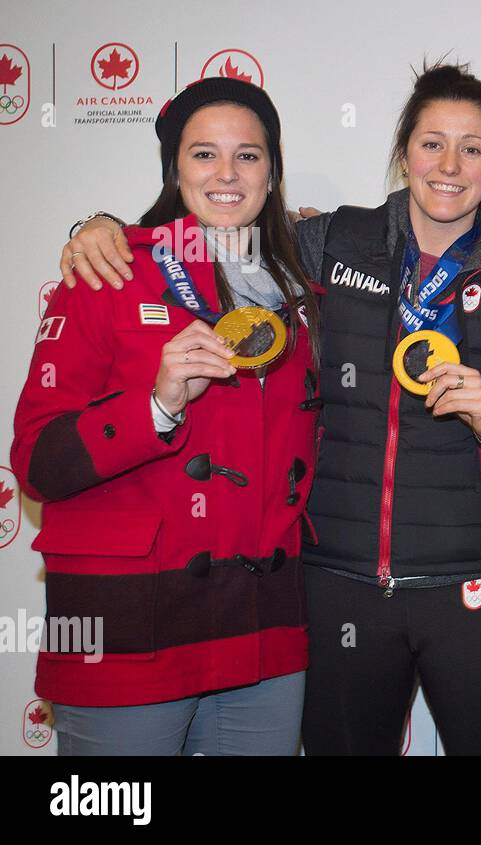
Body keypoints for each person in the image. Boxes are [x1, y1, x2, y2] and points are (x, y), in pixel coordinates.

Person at [56, 64, 481, 756]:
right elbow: (216, 228)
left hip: (479, 586)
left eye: (471, 148)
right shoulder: (329, 243)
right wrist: (101, 226)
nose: (449, 165)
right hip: (337, 587)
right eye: (431, 143)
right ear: (403, 150)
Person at [13, 77, 320, 755]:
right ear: (173, 169)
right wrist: (155, 407)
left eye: (249, 155)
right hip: (126, 634)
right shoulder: (108, 270)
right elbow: (36, 461)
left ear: (272, 174)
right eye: (204, 154)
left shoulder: (297, 293)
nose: (227, 173)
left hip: (261, 635)